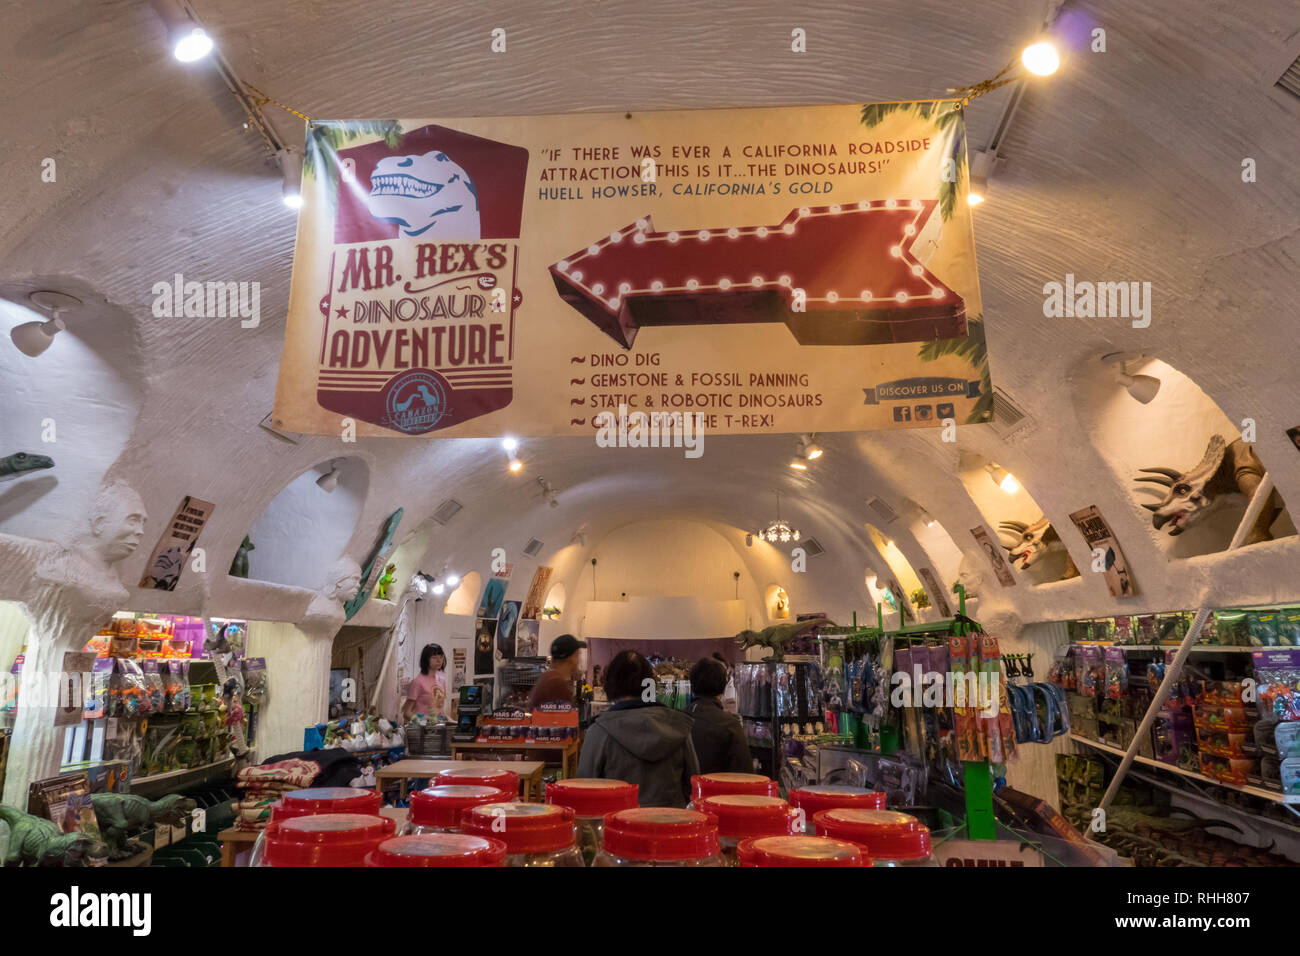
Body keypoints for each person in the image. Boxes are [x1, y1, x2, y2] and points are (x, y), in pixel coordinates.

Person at [577, 650, 699, 807]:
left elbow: (584, 793)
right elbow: (694, 787)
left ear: (610, 685)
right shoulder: (678, 726)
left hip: (617, 826)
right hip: (672, 826)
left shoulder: (599, 731)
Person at [687, 658, 752, 773]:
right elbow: (744, 773)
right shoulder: (730, 725)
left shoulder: (677, 718)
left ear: (692, 685)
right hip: (718, 790)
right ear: (723, 689)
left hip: (685, 790)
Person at [529, 634, 586, 708]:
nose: (579, 660)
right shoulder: (556, 684)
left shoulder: (548, 678)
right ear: (571, 657)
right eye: (578, 654)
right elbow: (562, 719)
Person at [403, 643, 448, 721]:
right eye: (434, 657)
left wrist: (452, 722)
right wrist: (423, 722)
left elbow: (440, 710)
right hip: (421, 729)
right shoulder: (418, 682)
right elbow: (407, 713)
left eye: (441, 657)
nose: (439, 660)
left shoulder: (442, 680)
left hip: (438, 728)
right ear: (426, 660)